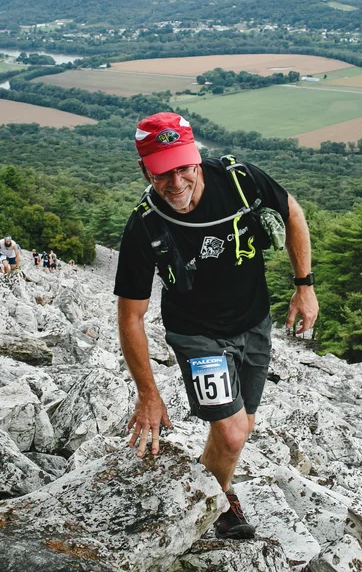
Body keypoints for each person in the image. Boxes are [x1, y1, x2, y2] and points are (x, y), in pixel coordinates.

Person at [114, 112, 318, 540]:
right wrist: (148, 395)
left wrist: (304, 287)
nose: (176, 183)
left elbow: (293, 212)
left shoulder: (239, 181)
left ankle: (215, 490)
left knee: (242, 424)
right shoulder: (145, 226)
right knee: (231, 432)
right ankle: (214, 505)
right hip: (196, 333)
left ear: (197, 158)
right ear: (143, 169)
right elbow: (130, 316)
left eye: (183, 167)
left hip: (254, 324)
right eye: (161, 172)